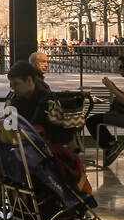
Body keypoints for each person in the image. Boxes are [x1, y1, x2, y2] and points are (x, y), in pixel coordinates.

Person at [7, 62, 92, 200]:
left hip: (44, 150)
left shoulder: (47, 101)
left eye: (16, 84)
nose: (12, 88)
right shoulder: (17, 99)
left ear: (29, 80)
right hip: (29, 148)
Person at [86, 55, 124, 167]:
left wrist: (111, 87)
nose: (119, 69)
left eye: (121, 67)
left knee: (91, 121)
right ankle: (110, 145)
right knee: (95, 120)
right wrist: (113, 87)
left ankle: (111, 145)